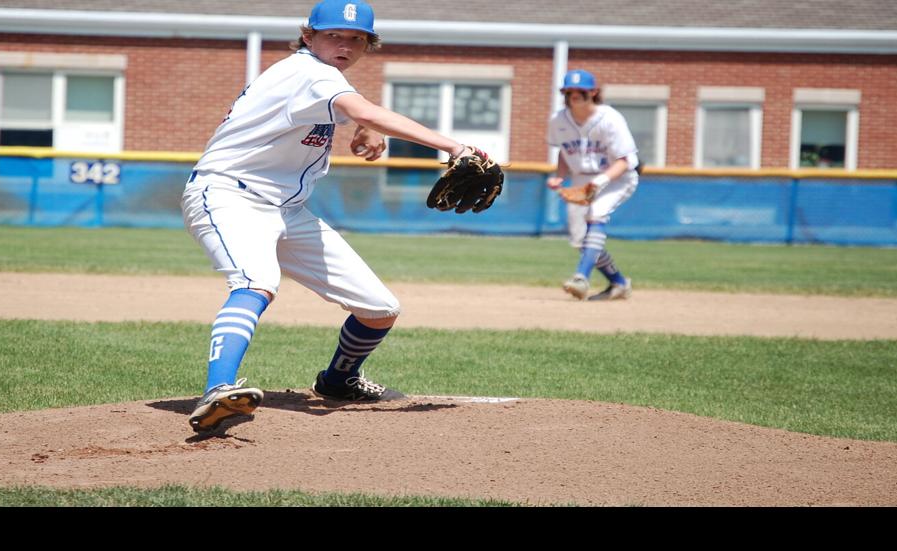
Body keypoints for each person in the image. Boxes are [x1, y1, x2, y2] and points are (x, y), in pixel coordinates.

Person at [184, 0, 487, 433]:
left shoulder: (320, 77)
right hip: (229, 196)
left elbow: (349, 109)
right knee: (255, 284)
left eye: (355, 39)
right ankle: (218, 391)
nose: (344, 44)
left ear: (367, 44)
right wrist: (455, 148)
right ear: (308, 37)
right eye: (333, 36)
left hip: (287, 210)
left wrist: (364, 127)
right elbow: (358, 108)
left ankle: (338, 381)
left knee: (380, 309)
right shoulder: (307, 71)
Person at [546, 69, 640, 301]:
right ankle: (618, 283)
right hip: (580, 178)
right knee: (581, 240)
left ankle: (581, 278)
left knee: (596, 214)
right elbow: (564, 151)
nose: (574, 94)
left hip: (616, 178)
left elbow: (625, 161)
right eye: (569, 91)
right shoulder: (558, 121)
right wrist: (559, 175)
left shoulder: (610, 118)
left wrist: (598, 183)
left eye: (581, 90)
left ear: (594, 92)